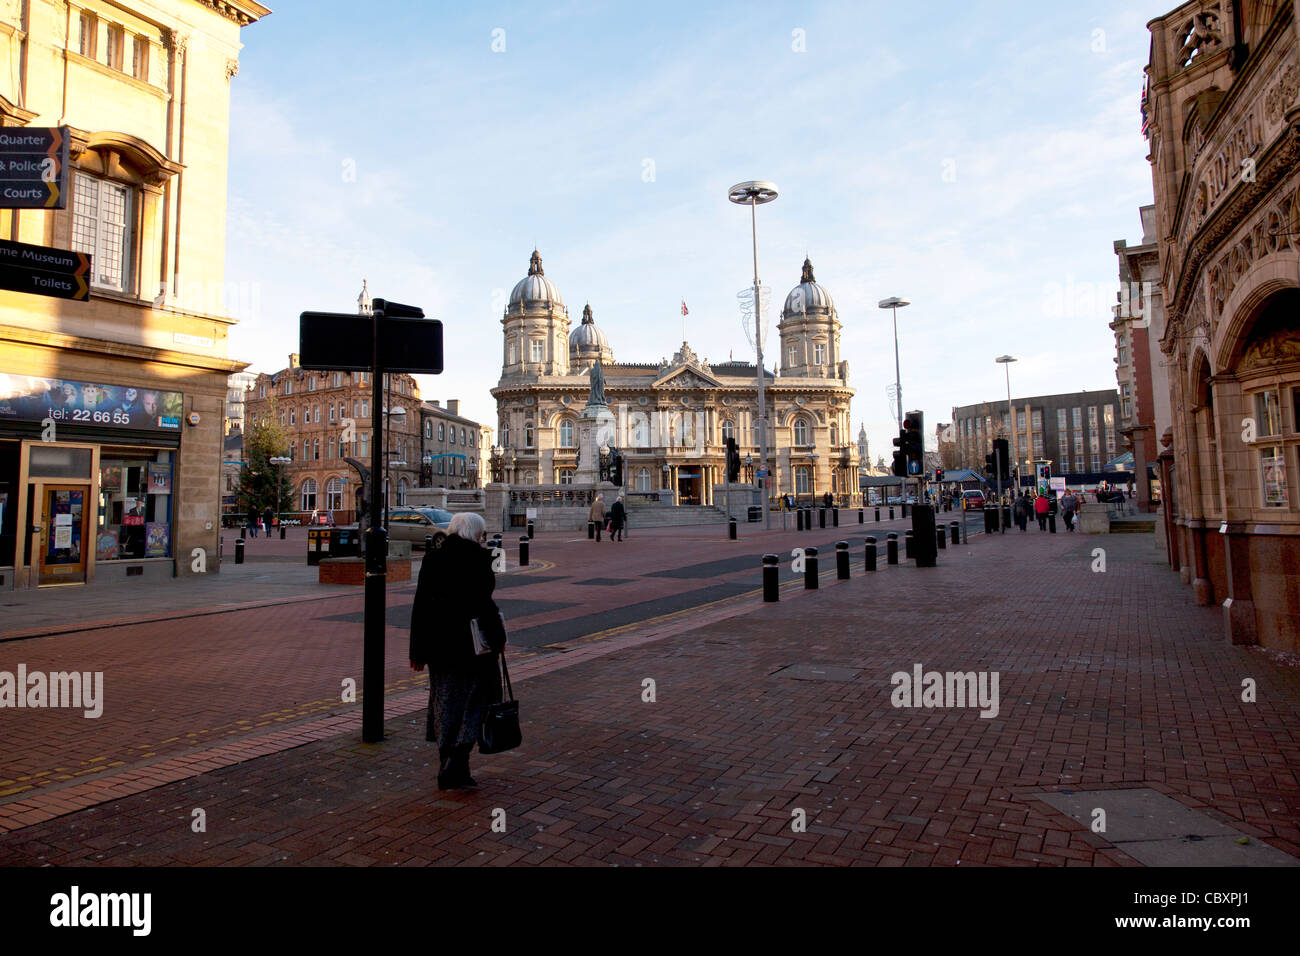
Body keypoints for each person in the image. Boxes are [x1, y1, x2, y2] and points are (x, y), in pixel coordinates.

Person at [409, 512, 503, 791]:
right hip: (471, 647)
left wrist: (417, 652)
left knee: (445, 703)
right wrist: (497, 639)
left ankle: (447, 763)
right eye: (482, 534)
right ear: (475, 534)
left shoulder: (433, 559)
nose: (483, 539)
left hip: (439, 647)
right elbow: (484, 605)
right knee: (476, 701)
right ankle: (457, 763)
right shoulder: (479, 560)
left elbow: (421, 607)